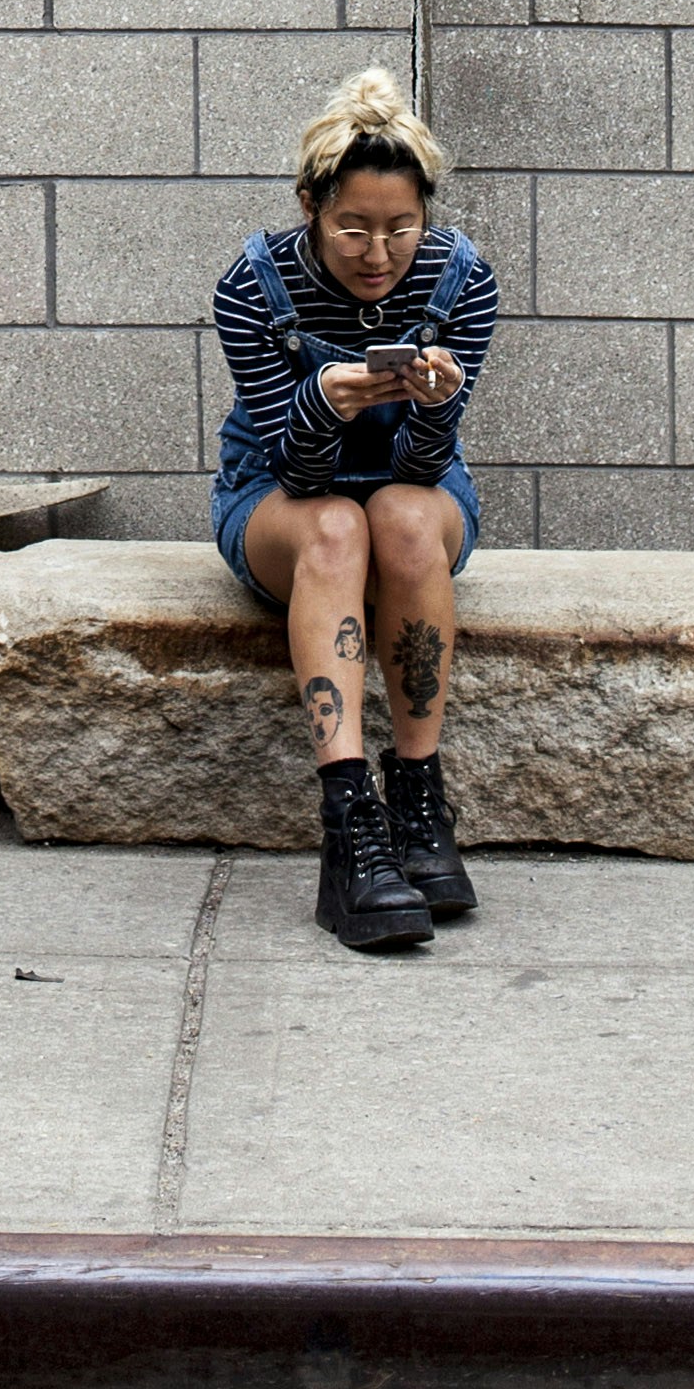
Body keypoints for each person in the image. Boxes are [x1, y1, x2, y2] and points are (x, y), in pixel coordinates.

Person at [210, 62, 498, 958]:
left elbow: (425, 465)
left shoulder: (463, 280)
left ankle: (418, 799)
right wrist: (324, 401)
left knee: (404, 517)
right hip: (282, 495)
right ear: (309, 205)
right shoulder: (251, 287)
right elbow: (297, 474)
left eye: (400, 227)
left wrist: (435, 402)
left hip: (412, 488)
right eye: (353, 229)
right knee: (338, 522)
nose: (379, 254)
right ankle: (350, 826)